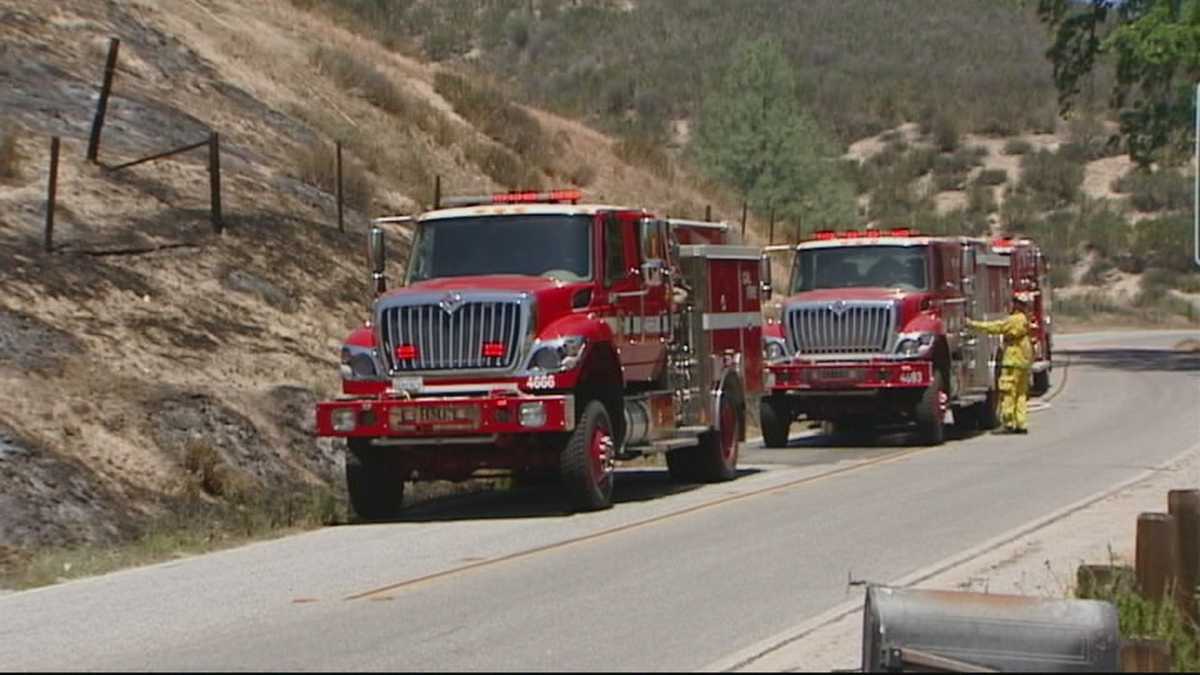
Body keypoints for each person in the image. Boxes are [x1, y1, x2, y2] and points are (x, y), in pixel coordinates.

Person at [966, 292, 1035, 434]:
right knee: (1021, 394)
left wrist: (972, 324)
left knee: (1008, 392)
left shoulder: (1014, 320)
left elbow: (995, 327)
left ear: (1017, 304)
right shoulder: (1025, 320)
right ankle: (1021, 423)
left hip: (1012, 361)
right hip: (1023, 362)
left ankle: (1009, 423)